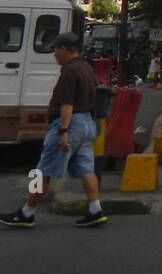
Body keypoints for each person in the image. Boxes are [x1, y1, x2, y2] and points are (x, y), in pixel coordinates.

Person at [0, 33, 106, 229]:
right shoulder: (86, 68)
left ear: (64, 49)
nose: (54, 54)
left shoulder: (70, 71)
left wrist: (63, 131)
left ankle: (26, 213)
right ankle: (95, 209)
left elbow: (67, 103)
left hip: (69, 124)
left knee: (42, 171)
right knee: (86, 169)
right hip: (86, 124)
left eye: (56, 50)